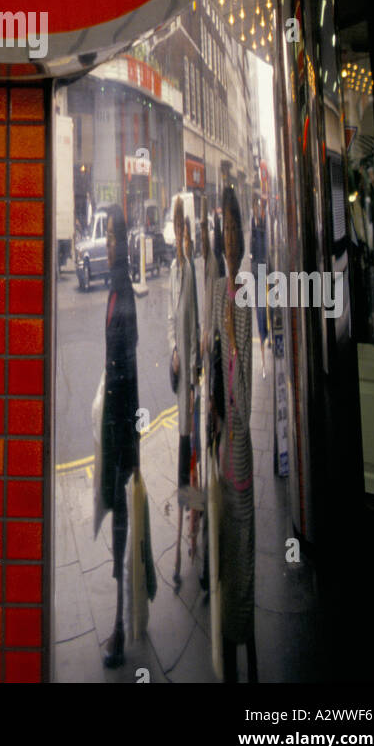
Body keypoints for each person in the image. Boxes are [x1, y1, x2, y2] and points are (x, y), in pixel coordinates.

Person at [211, 186, 257, 682]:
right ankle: (231, 642)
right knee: (228, 546)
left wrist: (232, 424)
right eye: (221, 228)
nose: (227, 237)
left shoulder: (242, 286)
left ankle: (244, 642)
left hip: (240, 443)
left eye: (232, 228)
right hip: (226, 437)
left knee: (243, 541)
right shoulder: (223, 286)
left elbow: (241, 372)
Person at [97, 204, 139, 669]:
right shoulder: (113, 288)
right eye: (105, 236)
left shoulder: (123, 292)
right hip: (115, 424)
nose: (108, 242)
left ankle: (121, 629)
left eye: (112, 236)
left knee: (122, 524)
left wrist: (129, 446)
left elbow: (128, 368)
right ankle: (122, 620)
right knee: (117, 521)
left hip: (122, 430)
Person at [169, 196, 198, 586]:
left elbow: (196, 325)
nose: (181, 235)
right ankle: (182, 538)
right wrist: (173, 350)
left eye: (184, 228)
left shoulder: (192, 268)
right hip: (182, 387)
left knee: (193, 463)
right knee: (183, 465)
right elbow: (171, 320)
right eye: (177, 228)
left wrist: (191, 369)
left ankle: (191, 539)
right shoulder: (175, 271)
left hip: (194, 385)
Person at [251, 195, 269, 378]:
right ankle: (264, 337)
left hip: (263, 271)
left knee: (263, 311)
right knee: (261, 310)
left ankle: (265, 337)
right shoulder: (256, 226)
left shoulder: (264, 226)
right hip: (258, 272)